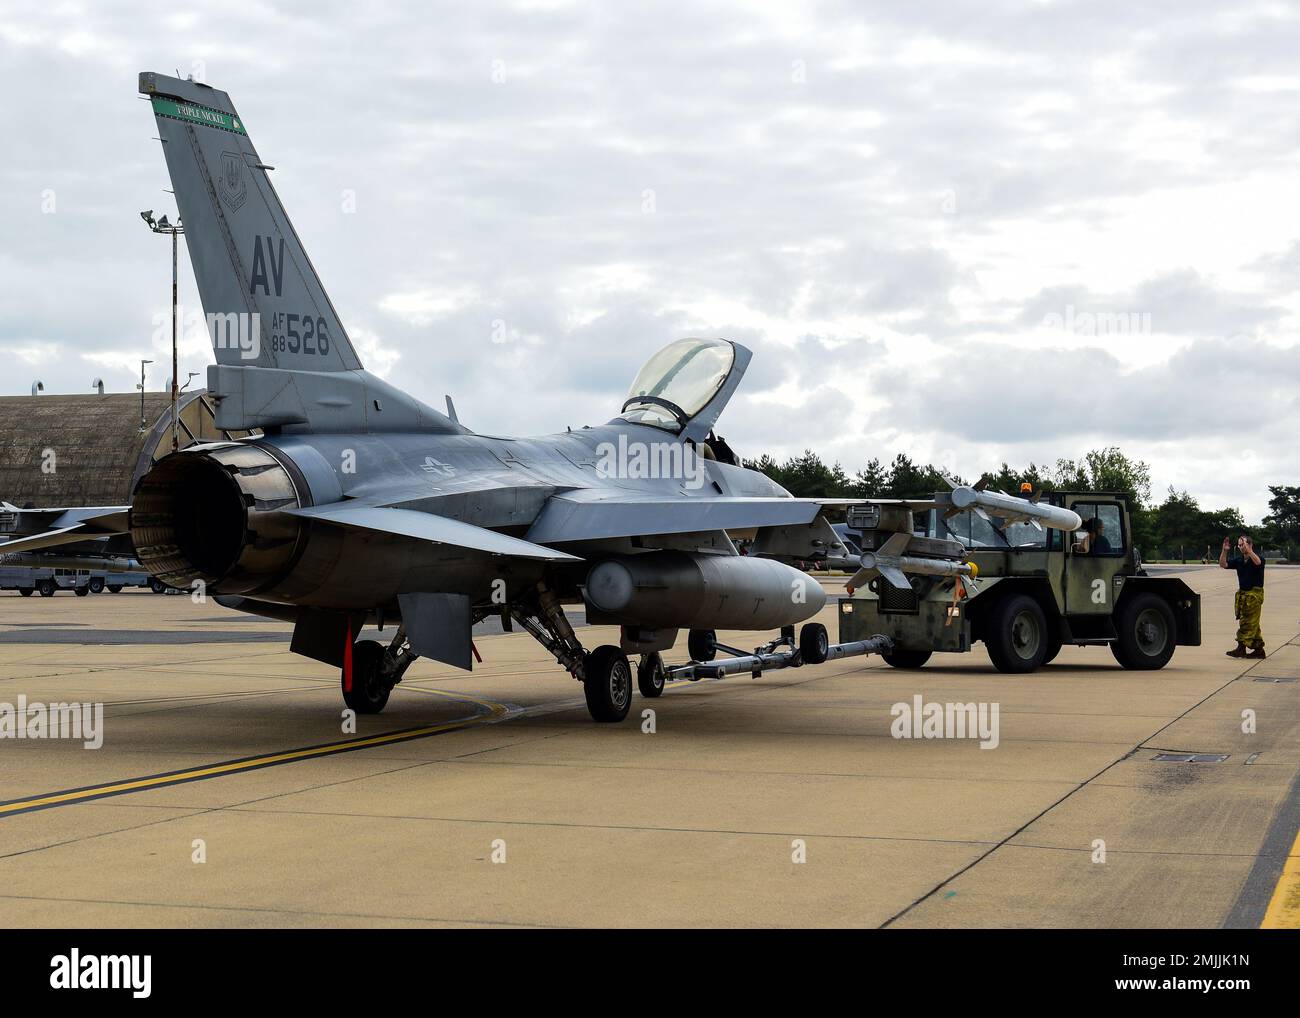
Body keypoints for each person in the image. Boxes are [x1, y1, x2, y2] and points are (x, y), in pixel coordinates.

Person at [1220, 534, 1265, 659]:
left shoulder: (1258, 558)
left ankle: (1241, 648)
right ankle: (1259, 650)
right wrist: (1224, 550)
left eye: (1243, 544)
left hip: (1254, 595)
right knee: (1252, 623)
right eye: (1239, 545)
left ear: (1250, 545)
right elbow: (1223, 564)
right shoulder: (1239, 560)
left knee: (1247, 622)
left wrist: (1249, 551)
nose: (1241, 547)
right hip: (1243, 595)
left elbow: (1258, 562)